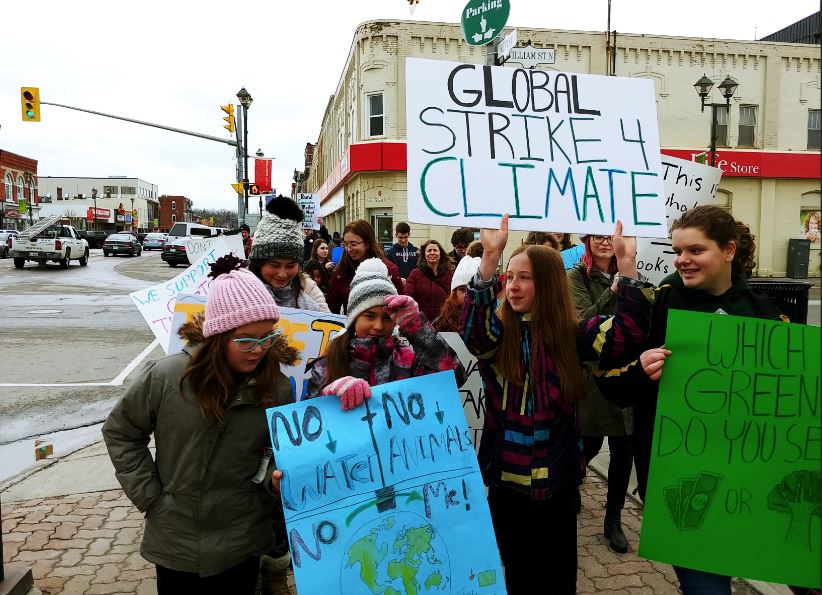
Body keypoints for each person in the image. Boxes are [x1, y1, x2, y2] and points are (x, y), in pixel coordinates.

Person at [594, 205, 785, 595]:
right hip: (678, 486)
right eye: (678, 250)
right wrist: (639, 370)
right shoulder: (658, 302)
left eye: (695, 250)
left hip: (745, 489)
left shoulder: (765, 315)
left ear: (728, 250)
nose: (682, 259)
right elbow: (609, 381)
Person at [460, 214, 651, 595]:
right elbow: (474, 333)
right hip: (507, 485)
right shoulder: (499, 335)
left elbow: (627, 333)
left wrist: (627, 265)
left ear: (547, 283)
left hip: (559, 486)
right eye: (510, 277)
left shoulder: (573, 335)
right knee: (520, 576)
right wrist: (490, 259)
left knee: (559, 579)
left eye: (524, 278)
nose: (513, 286)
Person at [102, 254, 299, 594]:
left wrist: (273, 481)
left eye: (267, 338)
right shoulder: (166, 377)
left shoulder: (276, 387)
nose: (258, 350)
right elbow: (121, 432)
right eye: (246, 340)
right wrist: (152, 498)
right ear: (218, 336)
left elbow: (279, 452)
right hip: (176, 540)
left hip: (243, 538)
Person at [305, 257, 464, 403]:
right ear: (354, 318)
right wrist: (327, 397)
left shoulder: (408, 359)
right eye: (369, 316)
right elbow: (306, 416)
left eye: (387, 318)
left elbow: (455, 377)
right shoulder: (327, 364)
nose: (378, 326)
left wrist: (416, 326)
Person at [567, 233, 634, 553]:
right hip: (593, 375)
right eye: (598, 237)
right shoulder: (576, 276)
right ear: (587, 240)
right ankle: (570, 484)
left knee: (624, 449)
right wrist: (613, 291)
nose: (606, 242)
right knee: (588, 444)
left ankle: (614, 519)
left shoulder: (632, 271)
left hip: (628, 373)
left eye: (610, 237)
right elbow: (582, 322)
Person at [249, 195, 329, 312]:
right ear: (258, 262)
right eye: (275, 265)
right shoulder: (238, 290)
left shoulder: (308, 289)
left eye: (290, 265)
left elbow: (325, 319)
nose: (282, 274)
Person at [325, 219, 404, 314]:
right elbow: (330, 311)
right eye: (345, 244)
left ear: (367, 243)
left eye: (353, 244)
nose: (349, 249)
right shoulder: (341, 273)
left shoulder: (389, 270)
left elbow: (401, 308)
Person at [403, 239, 454, 322]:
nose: (432, 253)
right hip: (421, 323)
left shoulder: (449, 274)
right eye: (429, 250)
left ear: (440, 253)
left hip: (443, 322)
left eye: (435, 250)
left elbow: (454, 299)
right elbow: (409, 299)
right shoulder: (415, 274)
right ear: (424, 254)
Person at [433, 255, 481, 333]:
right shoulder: (442, 323)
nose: (468, 295)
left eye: (474, 289)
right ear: (454, 294)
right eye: (462, 289)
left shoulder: (495, 322)